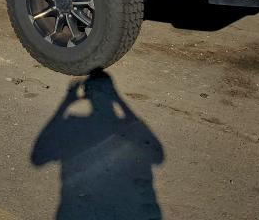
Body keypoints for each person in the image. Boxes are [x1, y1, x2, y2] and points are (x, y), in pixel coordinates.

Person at [31, 70, 164, 219]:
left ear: (87, 96)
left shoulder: (73, 126)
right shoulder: (124, 129)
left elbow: (37, 158)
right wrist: (119, 100)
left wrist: (66, 103)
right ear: (111, 95)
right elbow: (158, 156)